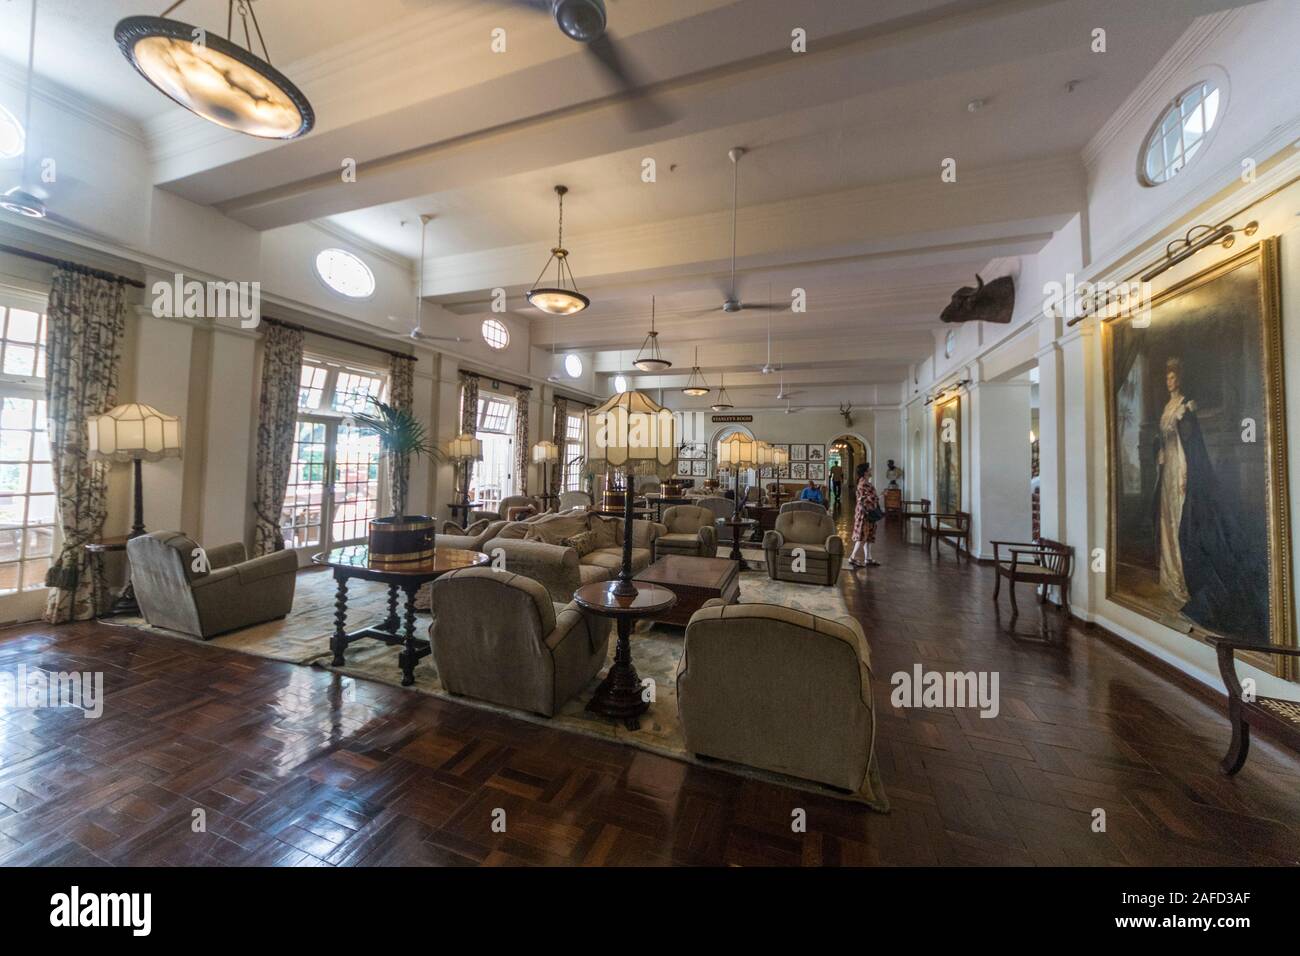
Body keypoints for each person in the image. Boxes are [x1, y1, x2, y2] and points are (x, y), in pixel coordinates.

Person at [849, 462, 881, 568]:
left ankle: (868, 558)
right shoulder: (864, 483)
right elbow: (867, 499)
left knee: (869, 536)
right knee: (861, 536)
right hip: (865, 513)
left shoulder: (865, 482)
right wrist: (878, 496)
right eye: (869, 469)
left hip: (868, 512)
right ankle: (852, 557)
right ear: (865, 472)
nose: (871, 470)